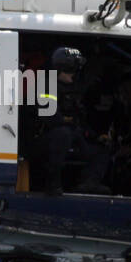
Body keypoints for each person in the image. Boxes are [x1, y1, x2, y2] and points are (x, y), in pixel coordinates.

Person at [33, 47, 111, 194]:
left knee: (102, 149)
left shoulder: (74, 90)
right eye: (70, 70)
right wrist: (69, 122)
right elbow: (50, 118)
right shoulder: (46, 85)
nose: (74, 74)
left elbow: (79, 119)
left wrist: (94, 136)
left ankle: (89, 183)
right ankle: (52, 183)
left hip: (73, 137)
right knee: (63, 134)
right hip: (46, 141)